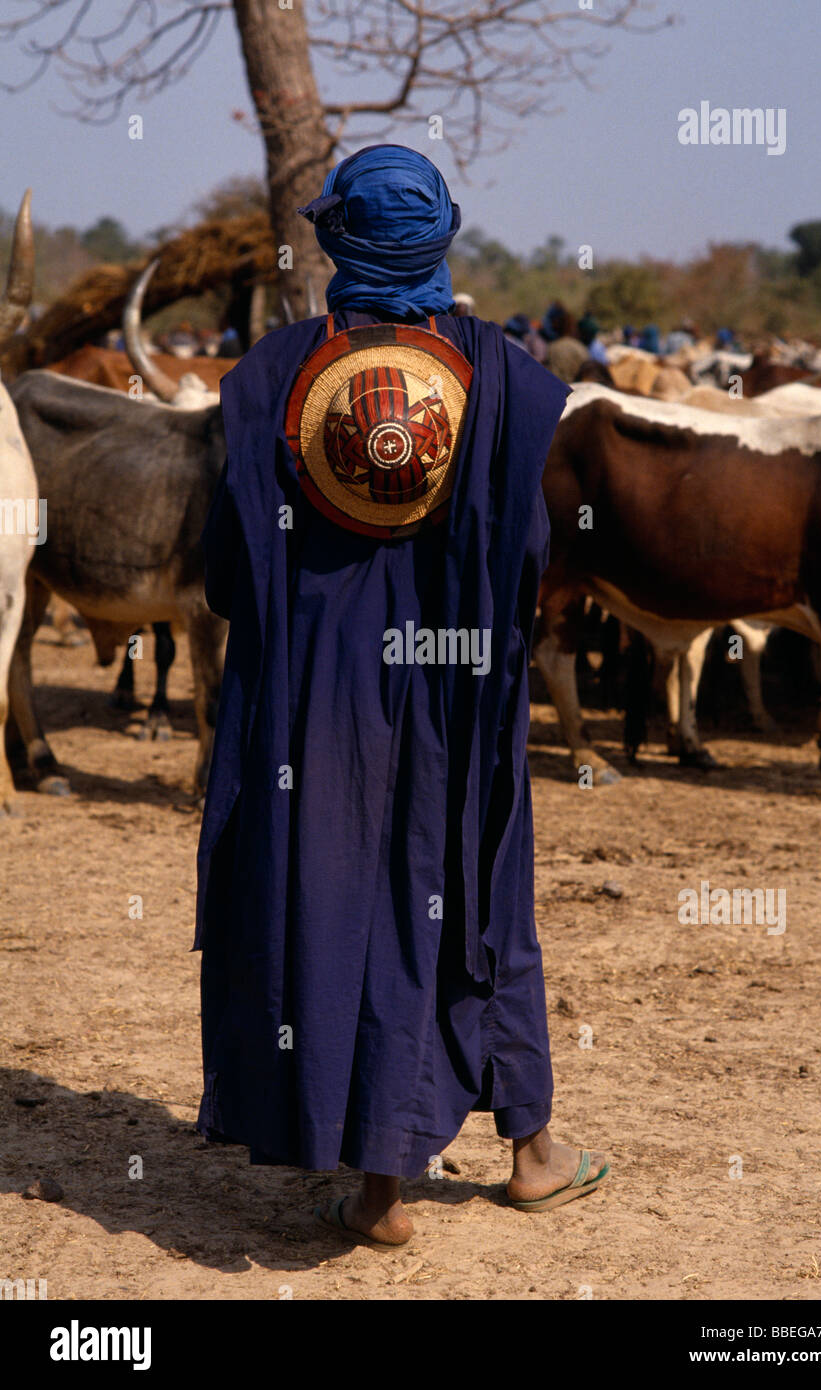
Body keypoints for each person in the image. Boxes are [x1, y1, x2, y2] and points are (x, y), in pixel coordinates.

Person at [193, 144, 609, 1249]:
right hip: (457, 695)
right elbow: (528, 555)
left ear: (335, 239)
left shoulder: (266, 380)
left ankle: (375, 1190)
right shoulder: (510, 382)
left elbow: (228, 573)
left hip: (312, 701)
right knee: (474, 888)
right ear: (439, 238)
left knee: (337, 907)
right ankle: (532, 1152)